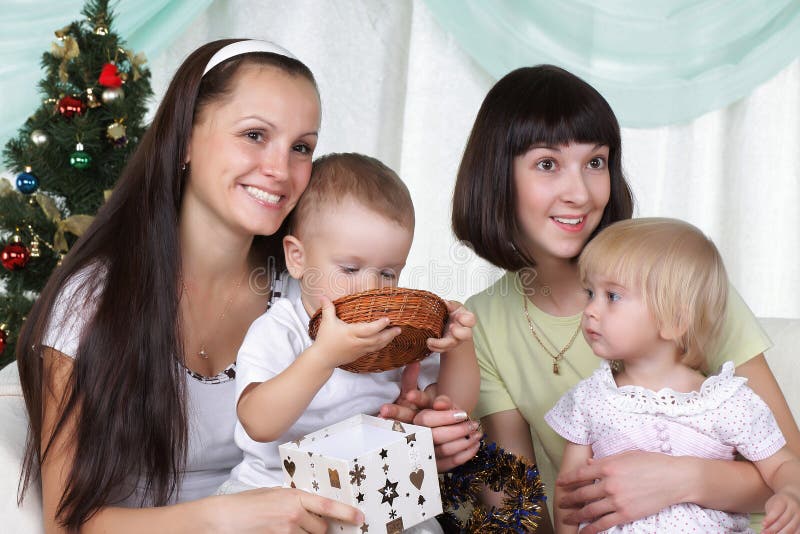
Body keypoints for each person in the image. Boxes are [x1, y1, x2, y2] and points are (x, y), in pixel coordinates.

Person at [13, 39, 474, 534]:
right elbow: (66, 524)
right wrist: (231, 515)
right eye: (254, 134)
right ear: (185, 139)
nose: (280, 170)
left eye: (301, 147)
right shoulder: (93, 302)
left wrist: (411, 434)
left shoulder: (314, 288)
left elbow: (360, 421)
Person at [451, 65, 800, 533]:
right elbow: (519, 507)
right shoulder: (484, 322)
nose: (579, 193)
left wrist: (682, 479)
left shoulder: (674, 278)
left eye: (595, 162)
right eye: (548, 164)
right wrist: (448, 452)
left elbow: (789, 471)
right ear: (497, 175)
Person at [222, 152, 479, 495]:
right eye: (350, 269)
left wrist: (458, 345)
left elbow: (452, 404)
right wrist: (323, 357)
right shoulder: (281, 330)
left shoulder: (393, 333)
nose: (370, 288)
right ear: (297, 258)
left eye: (388, 273)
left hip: (370, 496)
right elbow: (258, 423)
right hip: (276, 494)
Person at [544, 218, 800, 534]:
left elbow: (784, 464)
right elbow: (570, 494)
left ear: (675, 320)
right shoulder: (590, 398)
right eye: (590, 292)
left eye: (612, 296)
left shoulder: (726, 401)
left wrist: (791, 492)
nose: (590, 310)